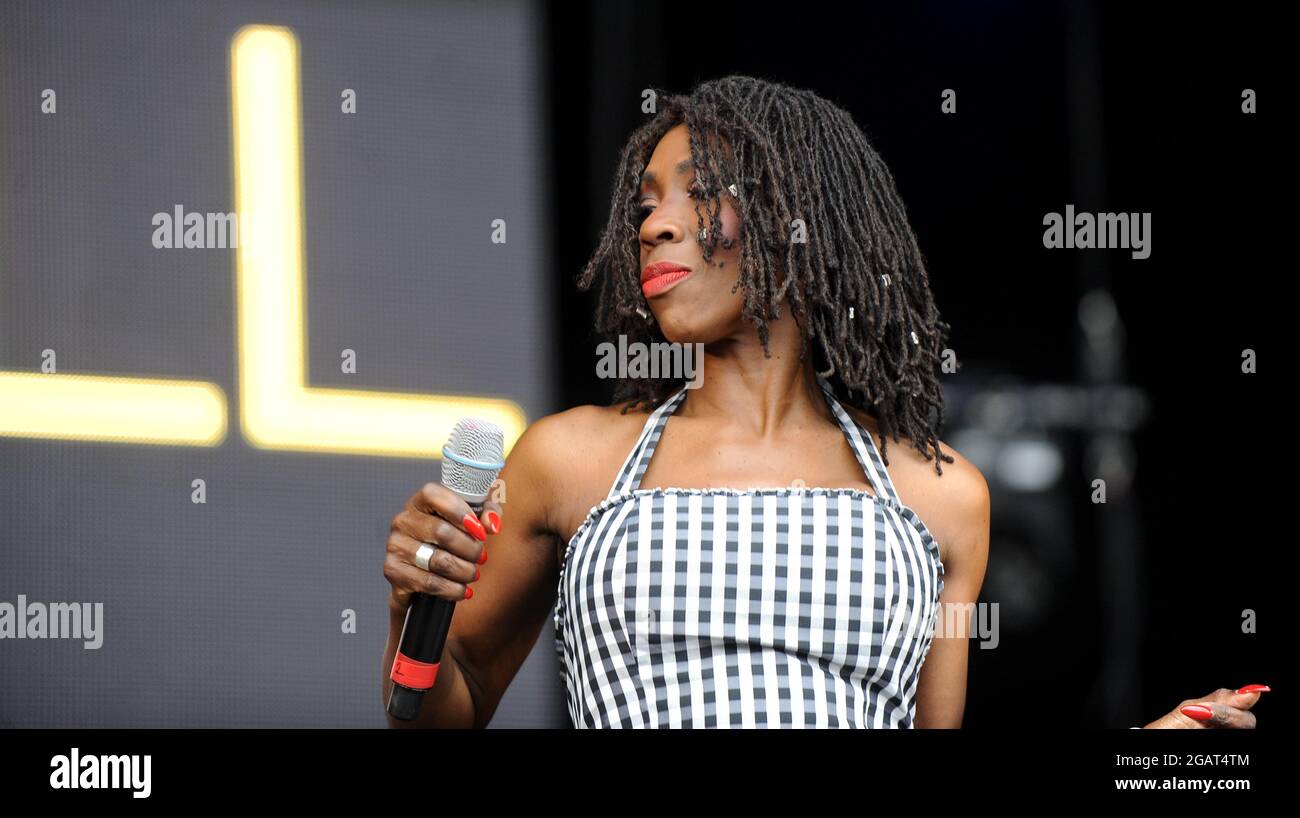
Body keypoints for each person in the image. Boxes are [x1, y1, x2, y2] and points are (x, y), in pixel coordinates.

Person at [381, 75, 1266, 729]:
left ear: (798, 219)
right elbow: (439, 704)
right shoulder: (570, 461)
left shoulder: (940, 496)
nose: (652, 224)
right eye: (646, 204)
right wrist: (409, 618)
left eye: (699, 193)